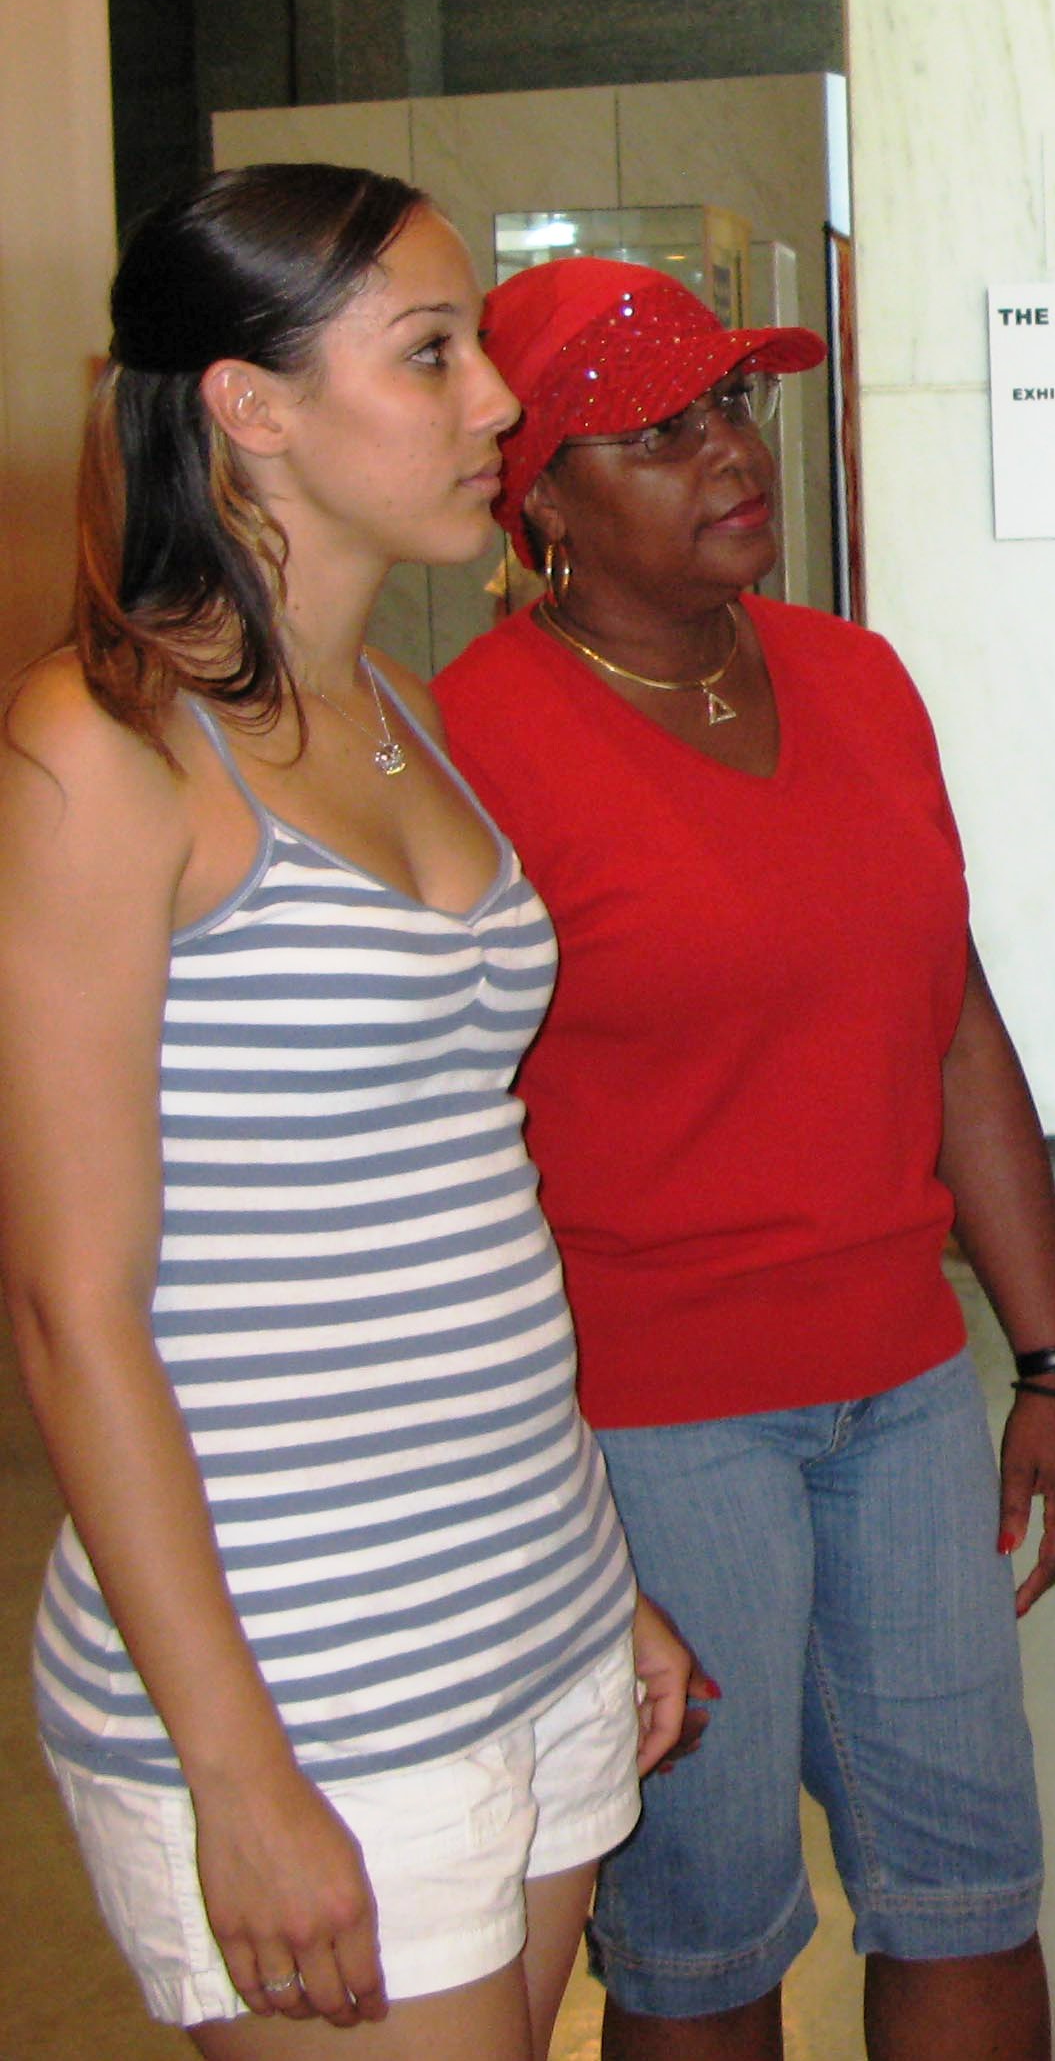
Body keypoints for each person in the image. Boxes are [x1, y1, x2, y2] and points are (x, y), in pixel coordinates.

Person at [0, 164, 694, 2056]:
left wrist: (599, 1586)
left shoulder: (406, 706)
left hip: (525, 1611)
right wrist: (235, 1772)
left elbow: (457, 1197)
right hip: (304, 1683)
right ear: (249, 405)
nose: (497, 403)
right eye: (433, 352)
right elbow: (73, 1313)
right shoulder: (106, 754)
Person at [431, 257, 1055, 2061]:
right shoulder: (470, 748)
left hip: (898, 1389)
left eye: (729, 402)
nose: (729, 449)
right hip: (646, 1429)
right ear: (543, 502)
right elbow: (442, 1147)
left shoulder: (856, 680)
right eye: (654, 432)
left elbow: (951, 1022)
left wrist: (1052, 1359)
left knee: (973, 1890)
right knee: (701, 1944)